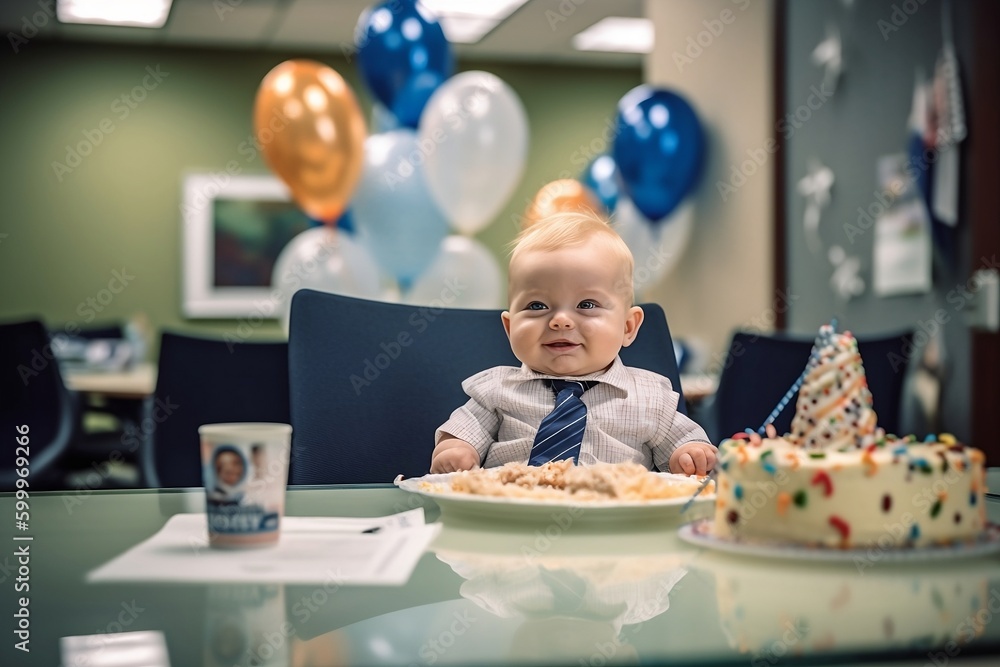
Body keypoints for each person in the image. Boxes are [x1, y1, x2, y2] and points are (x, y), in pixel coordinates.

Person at [430, 210, 716, 475]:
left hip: (613, 519)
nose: (561, 321)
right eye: (538, 305)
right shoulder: (495, 390)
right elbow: (461, 434)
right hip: (511, 514)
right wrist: (456, 450)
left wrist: (689, 454)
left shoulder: (652, 397)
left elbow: (685, 442)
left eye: (587, 304)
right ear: (509, 326)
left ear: (628, 327)